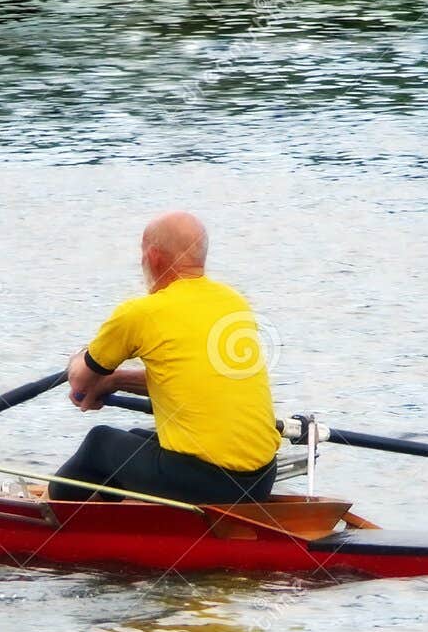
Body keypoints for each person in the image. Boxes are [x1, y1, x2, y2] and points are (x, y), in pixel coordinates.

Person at [54, 212, 282, 504]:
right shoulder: (233, 302)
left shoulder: (140, 313)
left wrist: (77, 362)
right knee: (137, 439)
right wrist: (117, 380)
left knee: (99, 444)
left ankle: (50, 517)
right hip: (261, 480)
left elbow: (80, 379)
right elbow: (190, 379)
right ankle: (111, 515)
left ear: (152, 256)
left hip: (206, 482)